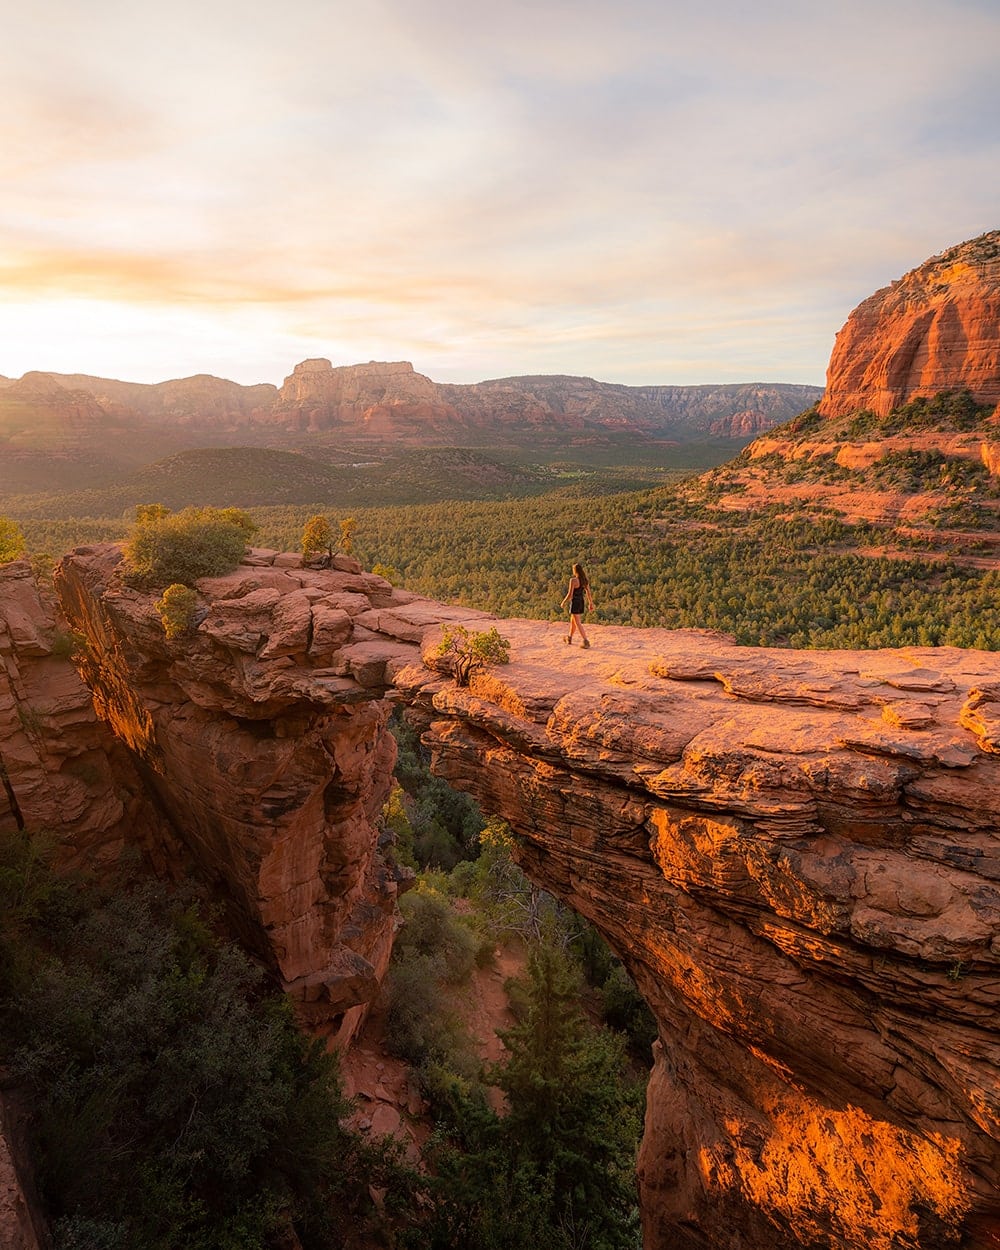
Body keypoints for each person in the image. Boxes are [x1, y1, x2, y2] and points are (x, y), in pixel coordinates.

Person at [561, 562, 595, 648]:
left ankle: (585, 641)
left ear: (575, 571)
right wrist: (590, 603)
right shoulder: (584, 580)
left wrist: (563, 602)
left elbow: (570, 594)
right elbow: (589, 593)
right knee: (573, 621)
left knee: (577, 622)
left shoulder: (573, 580)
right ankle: (569, 637)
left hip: (575, 602)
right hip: (581, 602)